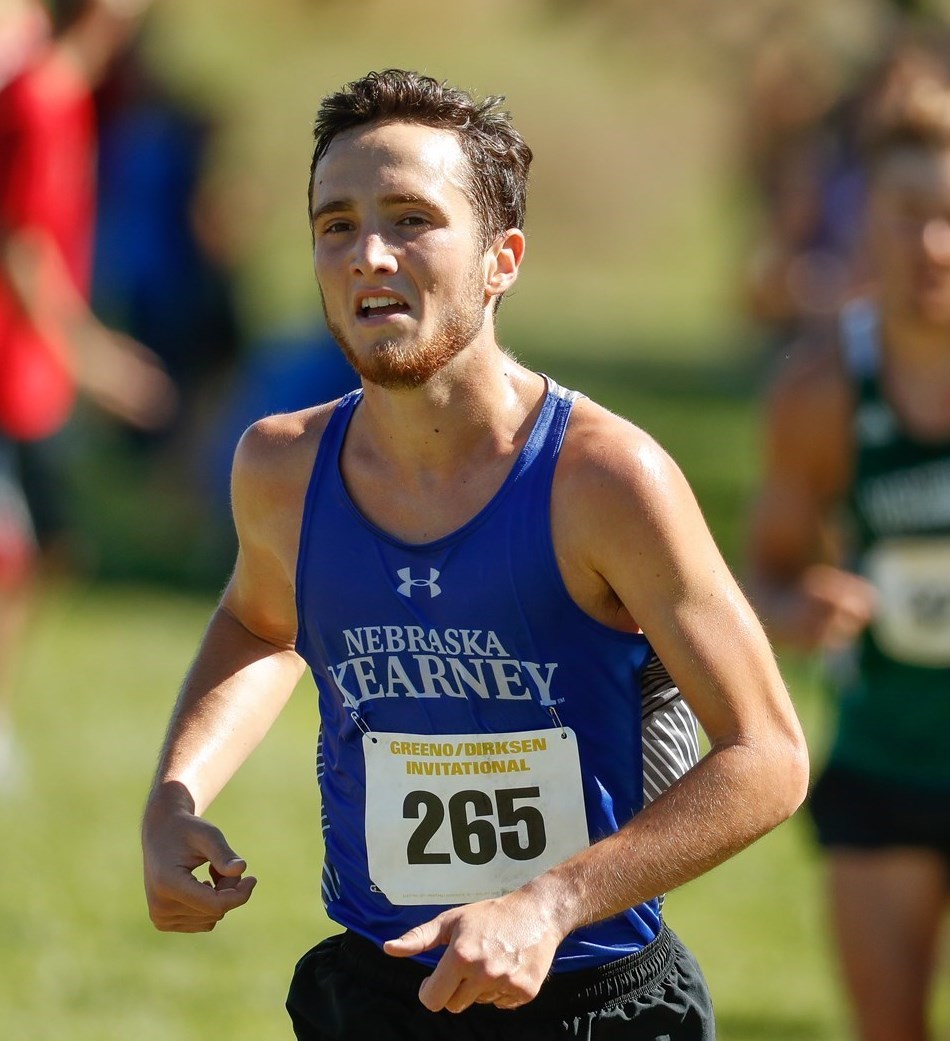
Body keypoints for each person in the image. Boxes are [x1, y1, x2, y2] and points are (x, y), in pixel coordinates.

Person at [141, 69, 809, 1041]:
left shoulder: (604, 480)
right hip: (378, 996)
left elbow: (769, 756)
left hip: (594, 1001)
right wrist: (175, 796)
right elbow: (259, 621)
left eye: (411, 219)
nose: (368, 253)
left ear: (502, 259)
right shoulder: (280, 467)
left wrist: (547, 903)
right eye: (336, 224)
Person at [746, 74, 950, 1041]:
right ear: (866, 217)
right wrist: (800, 607)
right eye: (910, 213)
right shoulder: (822, 389)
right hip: (883, 763)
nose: (932, 245)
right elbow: (759, 580)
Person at [0, 0, 175, 788]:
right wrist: (94, 359)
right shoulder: (39, 98)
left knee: (47, 548)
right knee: (15, 553)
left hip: (31, 374)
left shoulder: (65, 96)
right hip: (12, 367)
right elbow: (24, 252)